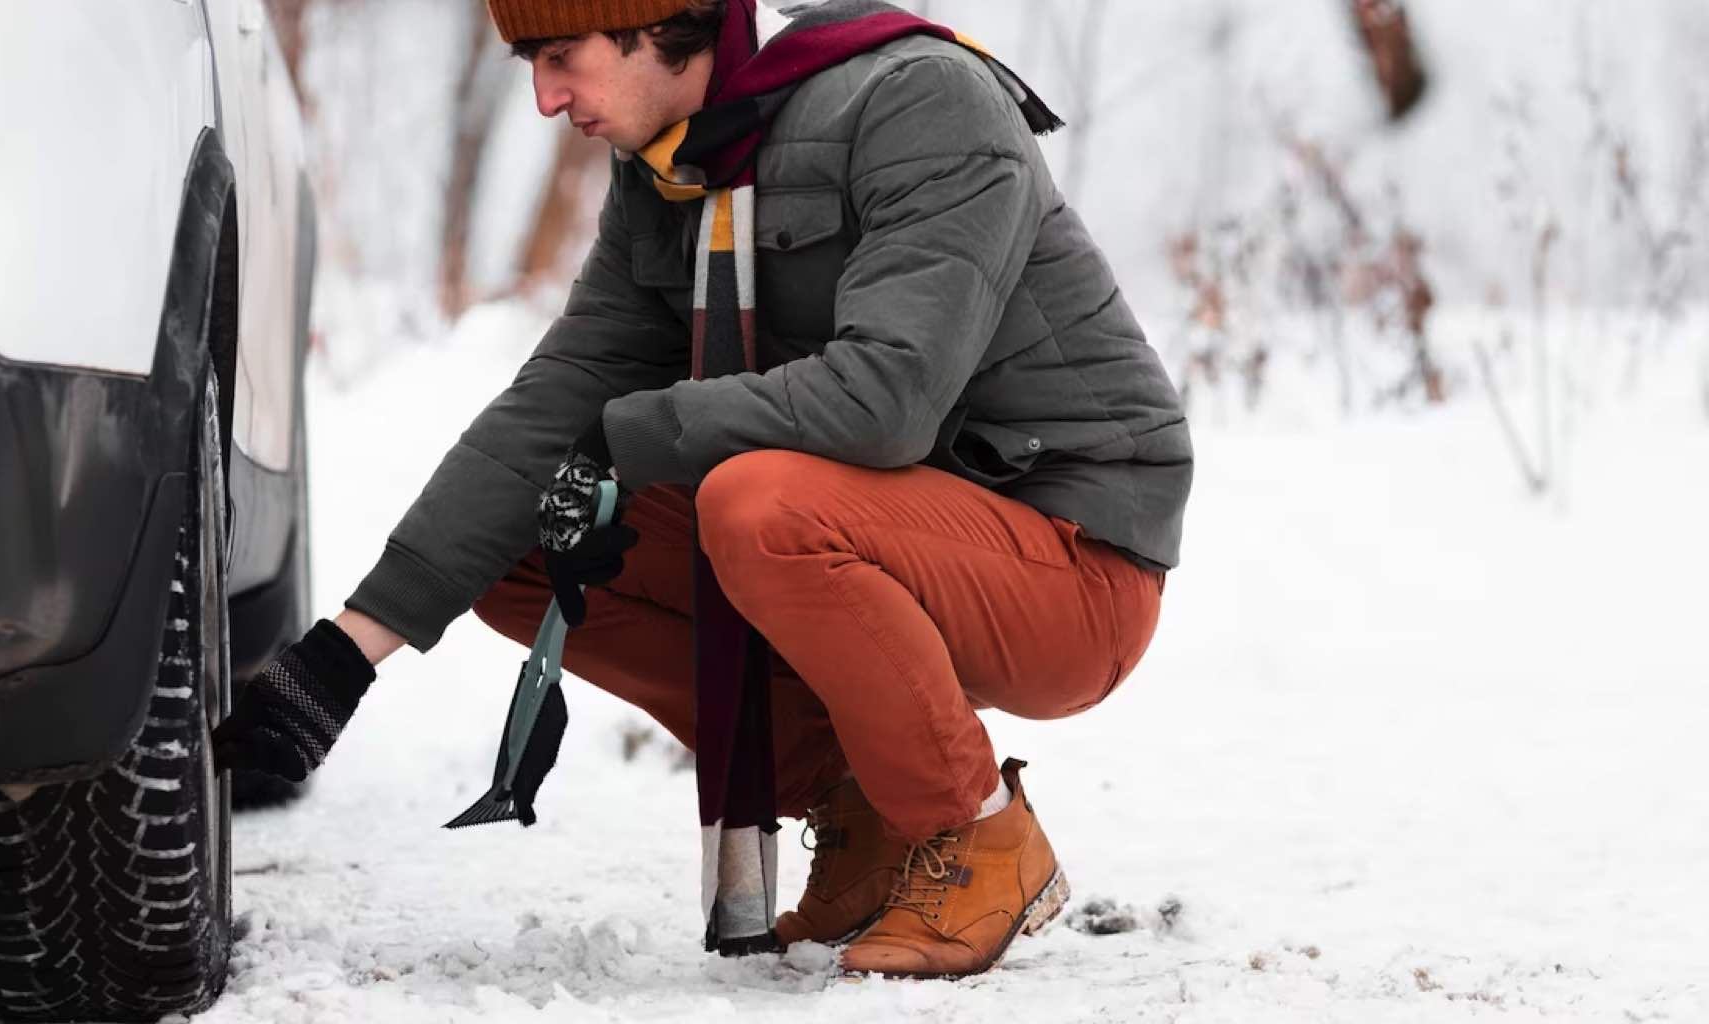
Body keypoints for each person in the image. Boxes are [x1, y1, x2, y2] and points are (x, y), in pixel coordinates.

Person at [214, 0, 1192, 980]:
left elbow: (886, 400)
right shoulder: (673, 166)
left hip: (1069, 555)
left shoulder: (918, 100)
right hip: (887, 529)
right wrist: (345, 652)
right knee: (533, 532)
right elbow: (553, 409)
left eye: (562, 57)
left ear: (658, 24)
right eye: (529, 64)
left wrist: (633, 432)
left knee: (756, 504)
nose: (548, 99)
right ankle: (862, 807)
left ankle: (976, 831)